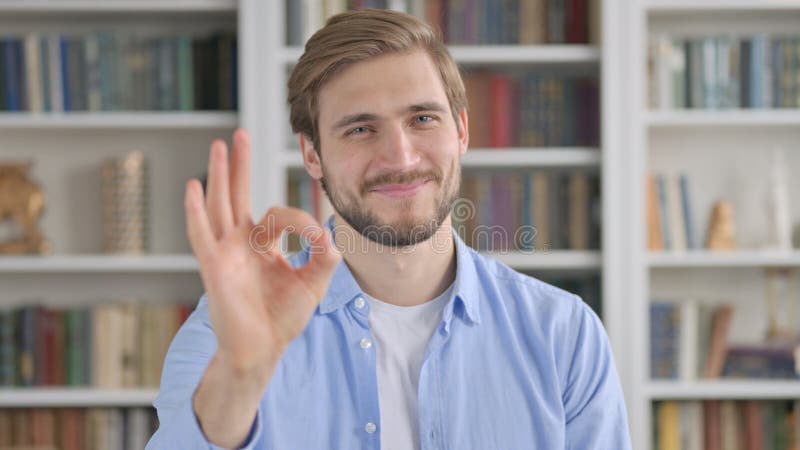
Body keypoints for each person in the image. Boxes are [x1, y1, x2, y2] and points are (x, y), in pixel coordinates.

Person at [146, 9, 631, 450]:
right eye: (360, 128)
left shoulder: (564, 335)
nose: (400, 157)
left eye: (423, 118)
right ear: (312, 154)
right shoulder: (225, 332)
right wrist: (240, 378)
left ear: (461, 131)